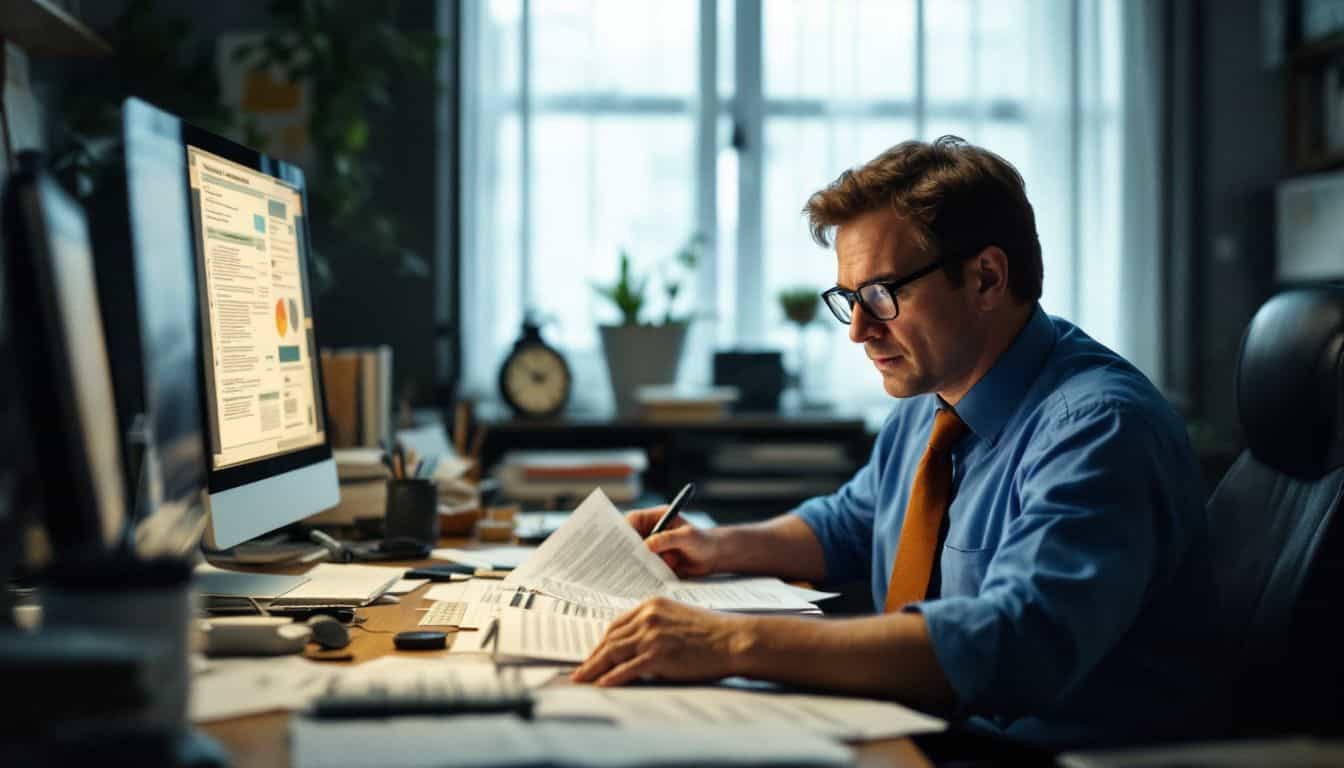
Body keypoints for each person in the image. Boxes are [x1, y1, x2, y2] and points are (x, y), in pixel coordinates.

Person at [571, 136, 1217, 749]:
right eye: (848, 298)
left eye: (879, 295)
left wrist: (731, 642)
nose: (858, 331)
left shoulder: (1099, 429)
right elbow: (853, 523)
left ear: (987, 278)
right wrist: (715, 546)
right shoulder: (931, 397)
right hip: (923, 731)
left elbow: (1013, 642)